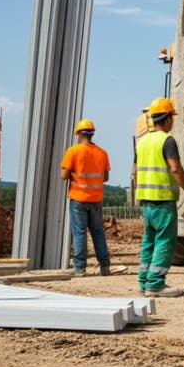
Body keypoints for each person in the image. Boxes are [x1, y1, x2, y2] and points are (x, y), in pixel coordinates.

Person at [133, 97, 184, 297]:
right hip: (162, 199)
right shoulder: (167, 141)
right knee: (165, 241)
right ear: (168, 118)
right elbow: (175, 168)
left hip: (146, 201)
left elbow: (135, 171)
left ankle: (144, 282)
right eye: (172, 117)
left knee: (149, 240)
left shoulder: (142, 143)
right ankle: (156, 284)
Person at [61, 119, 111, 277]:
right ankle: (105, 267)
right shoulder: (102, 153)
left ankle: (80, 268)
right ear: (92, 134)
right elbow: (105, 177)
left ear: (79, 134)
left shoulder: (73, 152)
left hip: (78, 199)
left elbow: (63, 176)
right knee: (98, 233)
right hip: (96, 200)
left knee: (79, 233)